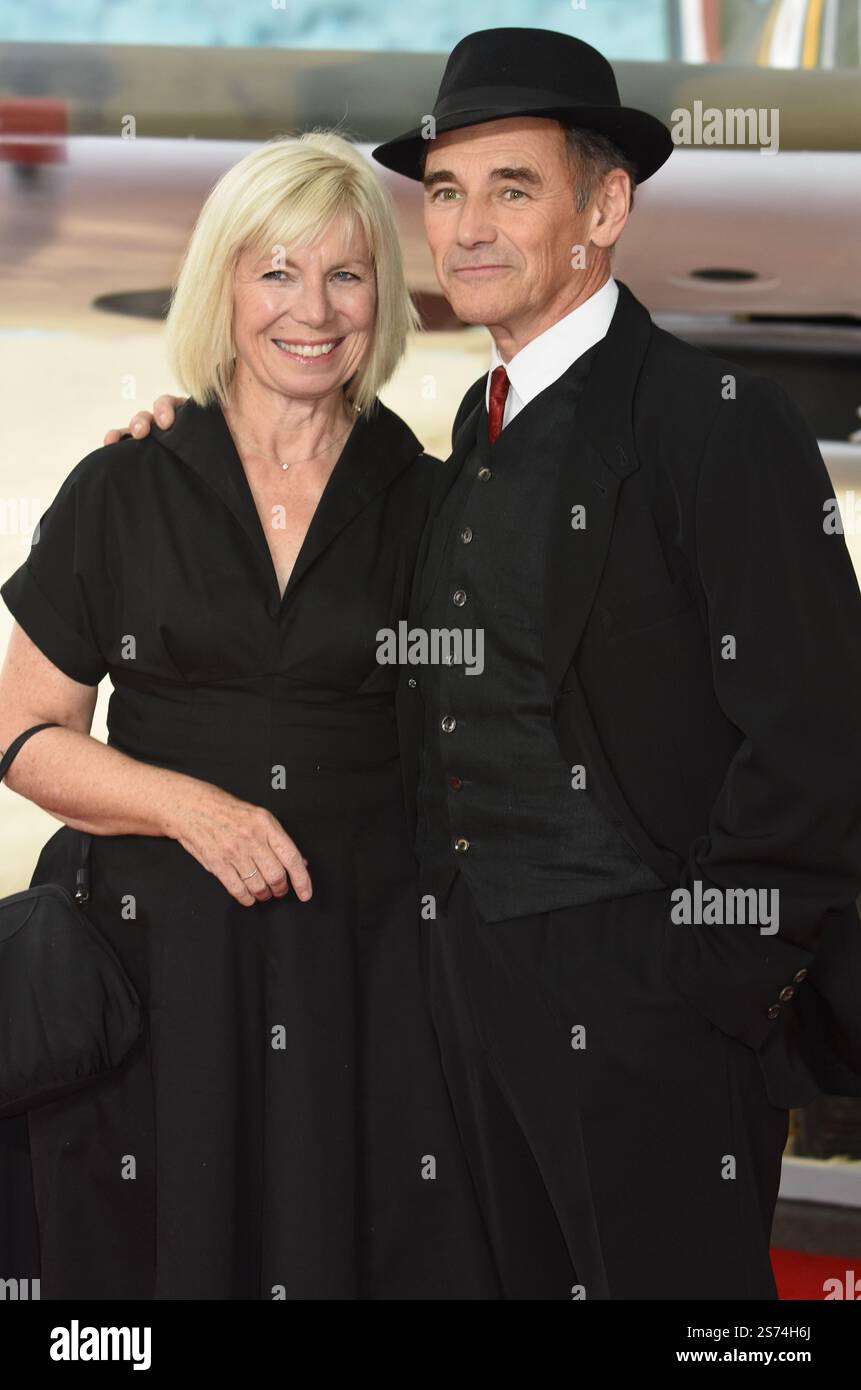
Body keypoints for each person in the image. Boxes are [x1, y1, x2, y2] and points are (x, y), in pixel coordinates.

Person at [101, 28, 861, 1301]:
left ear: (605, 208)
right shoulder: (470, 429)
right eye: (446, 192)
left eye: (513, 188)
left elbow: (819, 737)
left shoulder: (715, 424)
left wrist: (705, 988)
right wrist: (186, 432)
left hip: (651, 1013)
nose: (466, 226)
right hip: (463, 1002)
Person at [0, 131, 498, 1299]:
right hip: (150, 978)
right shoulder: (122, 485)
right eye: (275, 270)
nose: (311, 308)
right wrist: (191, 811)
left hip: (365, 979)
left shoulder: (438, 506)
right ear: (222, 286)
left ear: (385, 292)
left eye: (345, 273)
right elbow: (23, 733)